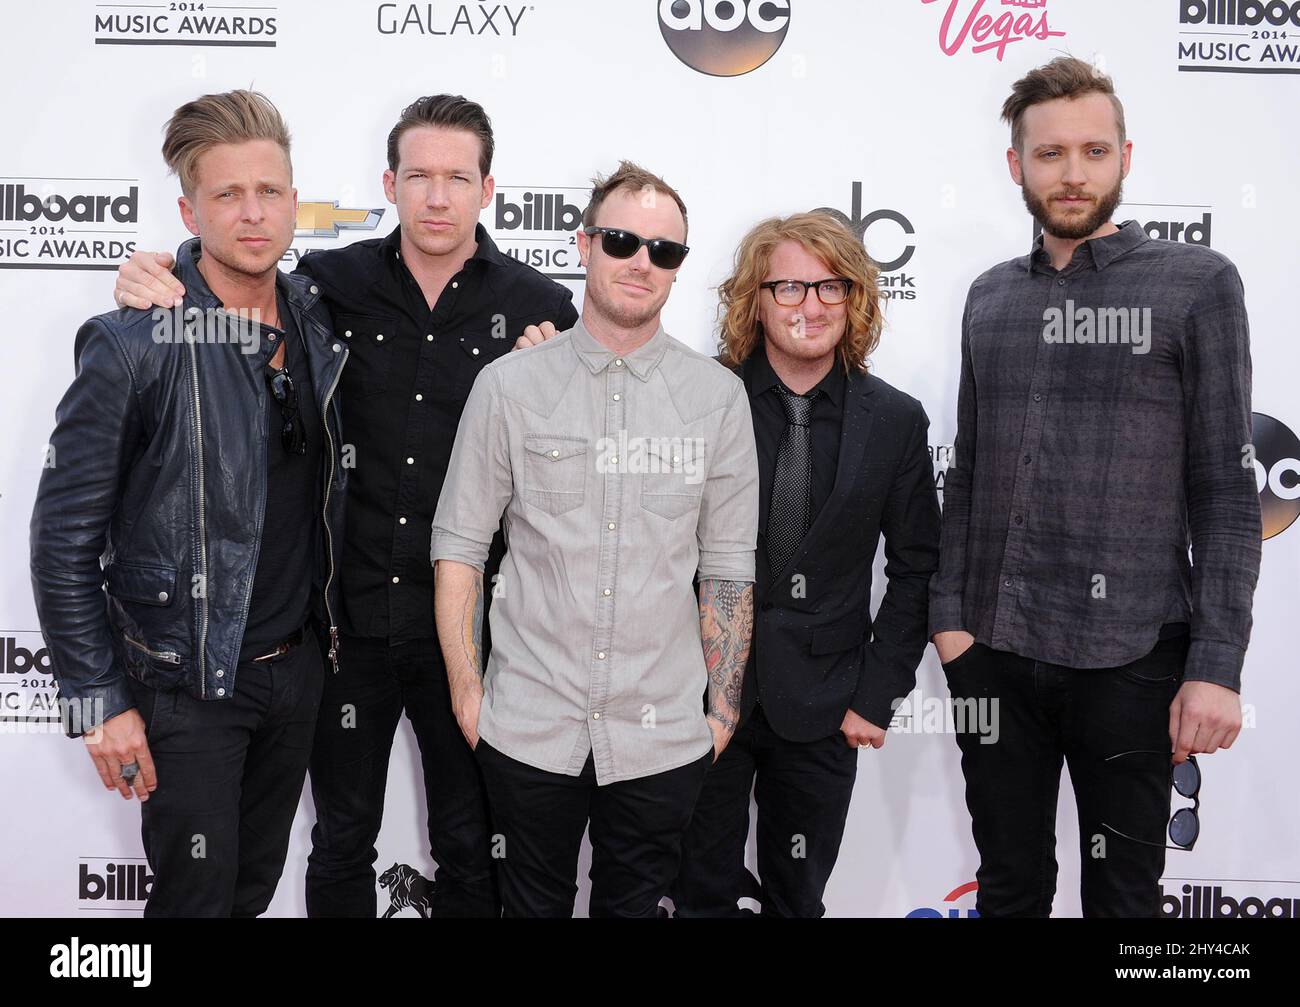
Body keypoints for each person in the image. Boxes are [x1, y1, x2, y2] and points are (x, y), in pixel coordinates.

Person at [112, 95, 578, 918]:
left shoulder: (542, 310)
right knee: (341, 839)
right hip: (339, 627)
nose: (438, 197)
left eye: (458, 178)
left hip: (468, 634)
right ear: (389, 183)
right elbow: (227, 284)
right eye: (421, 176)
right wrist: (154, 273)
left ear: (489, 189)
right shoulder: (328, 285)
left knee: (470, 840)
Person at [930, 57, 1261, 917]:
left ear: (1124, 157)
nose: (1072, 173)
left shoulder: (1197, 284)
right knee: (1008, 888)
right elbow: (965, 473)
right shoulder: (990, 298)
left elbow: (1225, 492)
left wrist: (1217, 665)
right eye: (1049, 155)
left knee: (1123, 898)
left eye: (1092, 151)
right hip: (995, 655)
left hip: (1134, 657)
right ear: (1016, 165)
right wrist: (952, 626)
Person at [32, 89, 346, 916]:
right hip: (187, 686)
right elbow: (61, 538)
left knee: (246, 894)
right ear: (188, 208)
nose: (253, 214)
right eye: (227, 195)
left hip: (295, 674)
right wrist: (98, 700)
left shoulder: (319, 320)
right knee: (194, 903)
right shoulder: (137, 342)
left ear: (293, 198)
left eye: (270, 191)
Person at [431, 161, 759, 917]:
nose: (642, 261)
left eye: (664, 250)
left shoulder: (716, 399)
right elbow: (459, 548)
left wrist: (722, 711)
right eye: (621, 241)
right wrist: (469, 695)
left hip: (666, 736)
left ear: (678, 269)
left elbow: (729, 568)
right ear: (583, 246)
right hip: (527, 727)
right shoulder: (508, 387)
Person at [671, 211, 940, 917]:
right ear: (755, 300)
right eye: (788, 287)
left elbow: (917, 567)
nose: (810, 305)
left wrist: (875, 695)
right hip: (700, 696)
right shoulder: (703, 399)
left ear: (855, 299)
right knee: (698, 895)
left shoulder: (895, 420)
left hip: (826, 706)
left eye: (830, 286)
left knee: (798, 899)